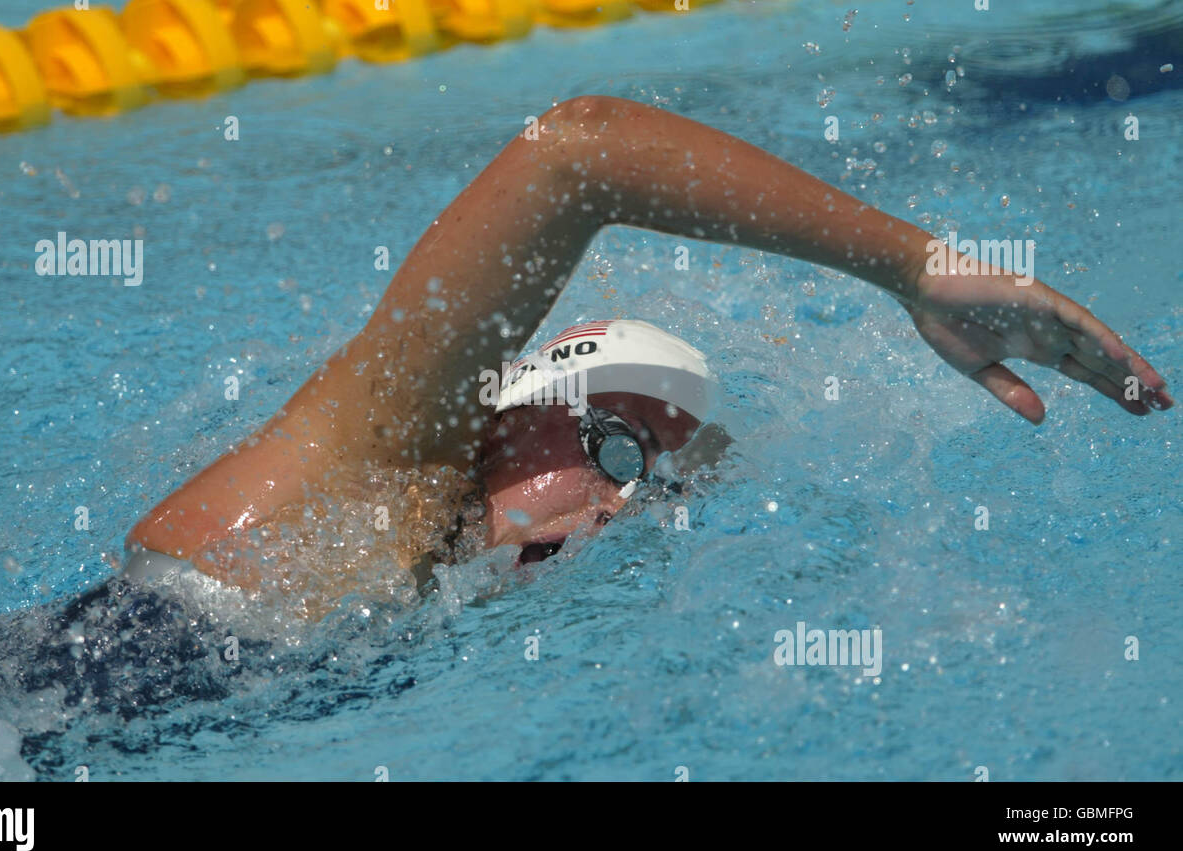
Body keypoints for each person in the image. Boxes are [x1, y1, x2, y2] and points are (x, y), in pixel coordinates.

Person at [122, 95, 1172, 613]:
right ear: (513, 413)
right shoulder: (374, 465)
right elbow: (580, 153)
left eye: (654, 491)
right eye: (619, 451)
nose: (618, 509)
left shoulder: (423, 602)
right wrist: (911, 265)